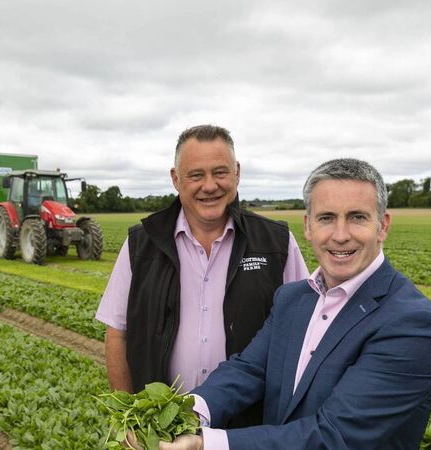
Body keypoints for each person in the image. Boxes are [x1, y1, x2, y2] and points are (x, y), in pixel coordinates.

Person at [159, 158, 431, 450]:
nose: (340, 235)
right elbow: (250, 370)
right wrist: (183, 413)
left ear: (382, 226)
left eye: (357, 217)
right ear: (308, 226)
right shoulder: (293, 299)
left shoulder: (412, 324)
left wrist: (204, 445)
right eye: (326, 218)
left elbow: (337, 436)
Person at [95, 124, 310, 426]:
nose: (209, 186)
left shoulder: (276, 242)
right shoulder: (141, 245)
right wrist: (127, 417)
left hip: (248, 432)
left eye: (220, 172)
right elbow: (117, 333)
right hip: (161, 430)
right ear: (176, 179)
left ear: (237, 172)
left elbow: (304, 335)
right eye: (196, 175)